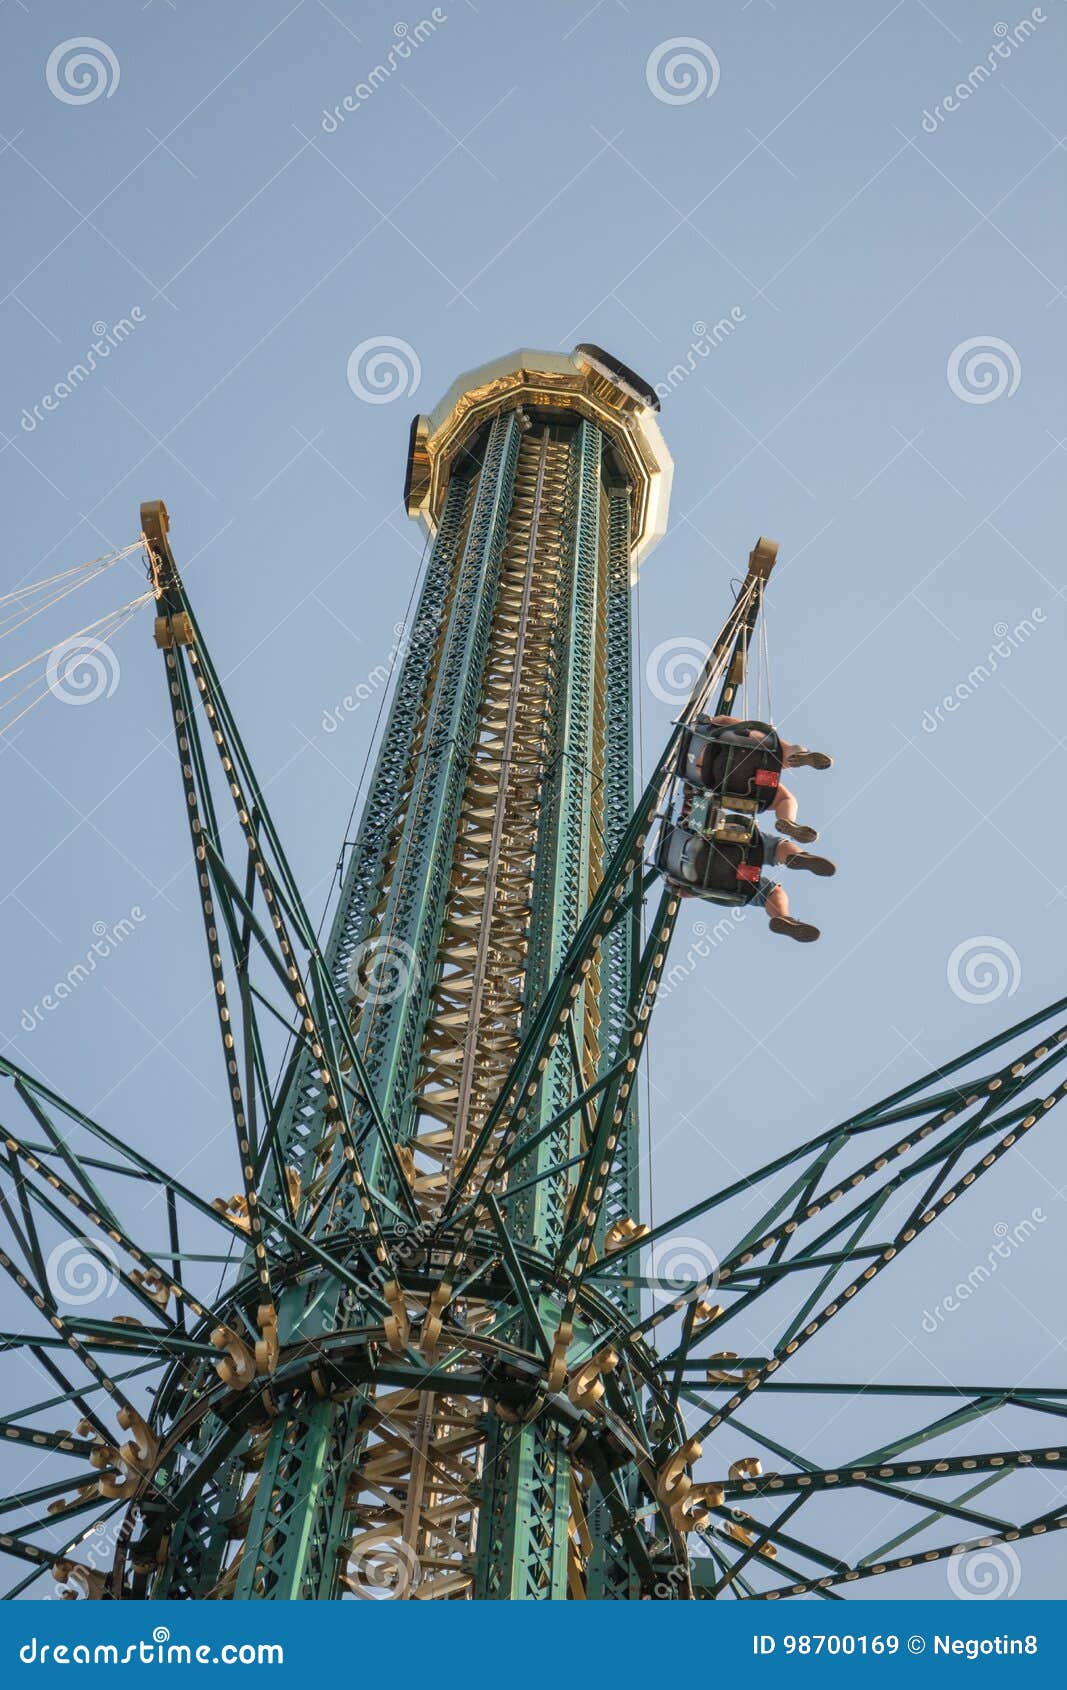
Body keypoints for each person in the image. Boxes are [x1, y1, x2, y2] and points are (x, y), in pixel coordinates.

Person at [704, 715, 832, 844]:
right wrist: (721, 720)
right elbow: (733, 723)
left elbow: (727, 722)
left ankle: (795, 753)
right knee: (785, 797)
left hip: (717, 767)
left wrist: (718, 720)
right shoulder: (711, 729)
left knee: (770, 746)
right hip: (738, 782)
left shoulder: (699, 733)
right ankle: (796, 755)